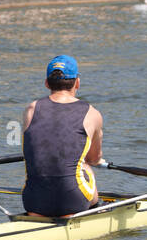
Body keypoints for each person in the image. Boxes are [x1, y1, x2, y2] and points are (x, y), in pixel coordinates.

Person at [21, 55, 105, 218]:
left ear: (46, 83)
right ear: (77, 83)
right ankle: (94, 214)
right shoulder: (92, 113)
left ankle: (39, 215)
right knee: (86, 167)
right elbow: (94, 158)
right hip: (72, 201)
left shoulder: (31, 109)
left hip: (33, 201)